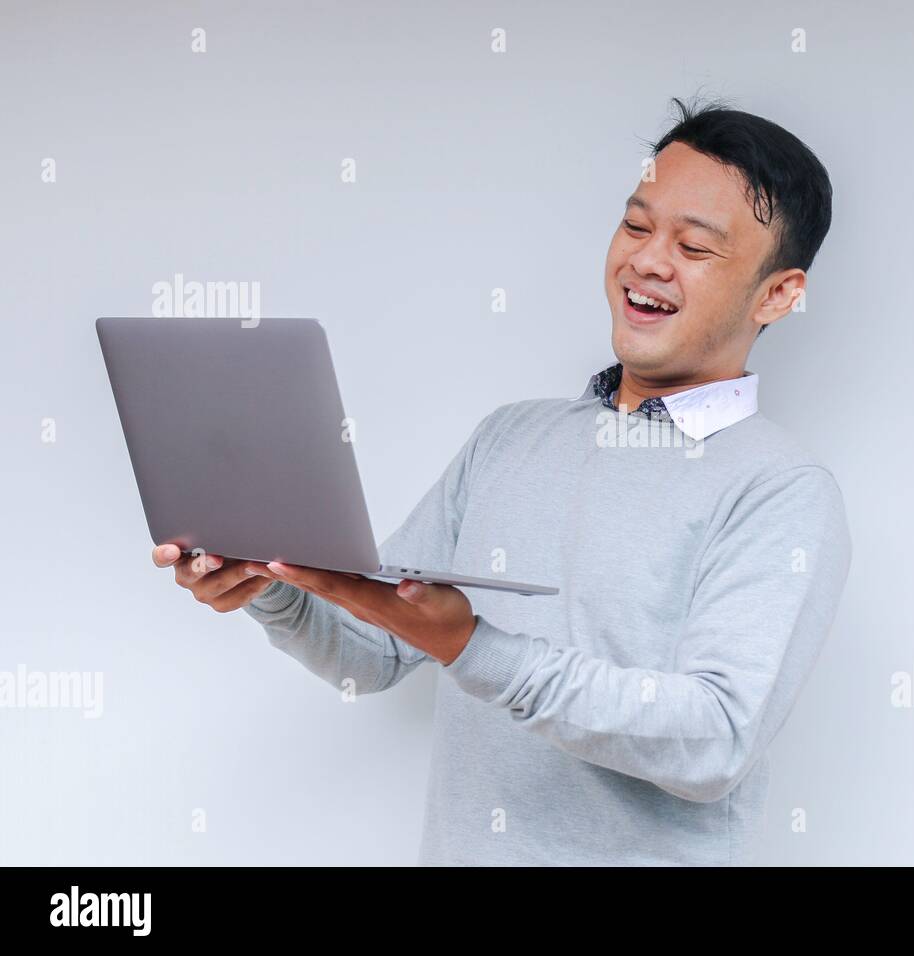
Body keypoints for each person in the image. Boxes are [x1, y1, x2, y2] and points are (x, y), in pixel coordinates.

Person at [152, 96, 852, 865]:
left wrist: (472, 647)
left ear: (779, 294)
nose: (648, 261)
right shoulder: (510, 437)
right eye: (637, 225)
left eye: (695, 246)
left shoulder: (782, 490)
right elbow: (377, 653)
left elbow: (714, 742)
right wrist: (270, 582)